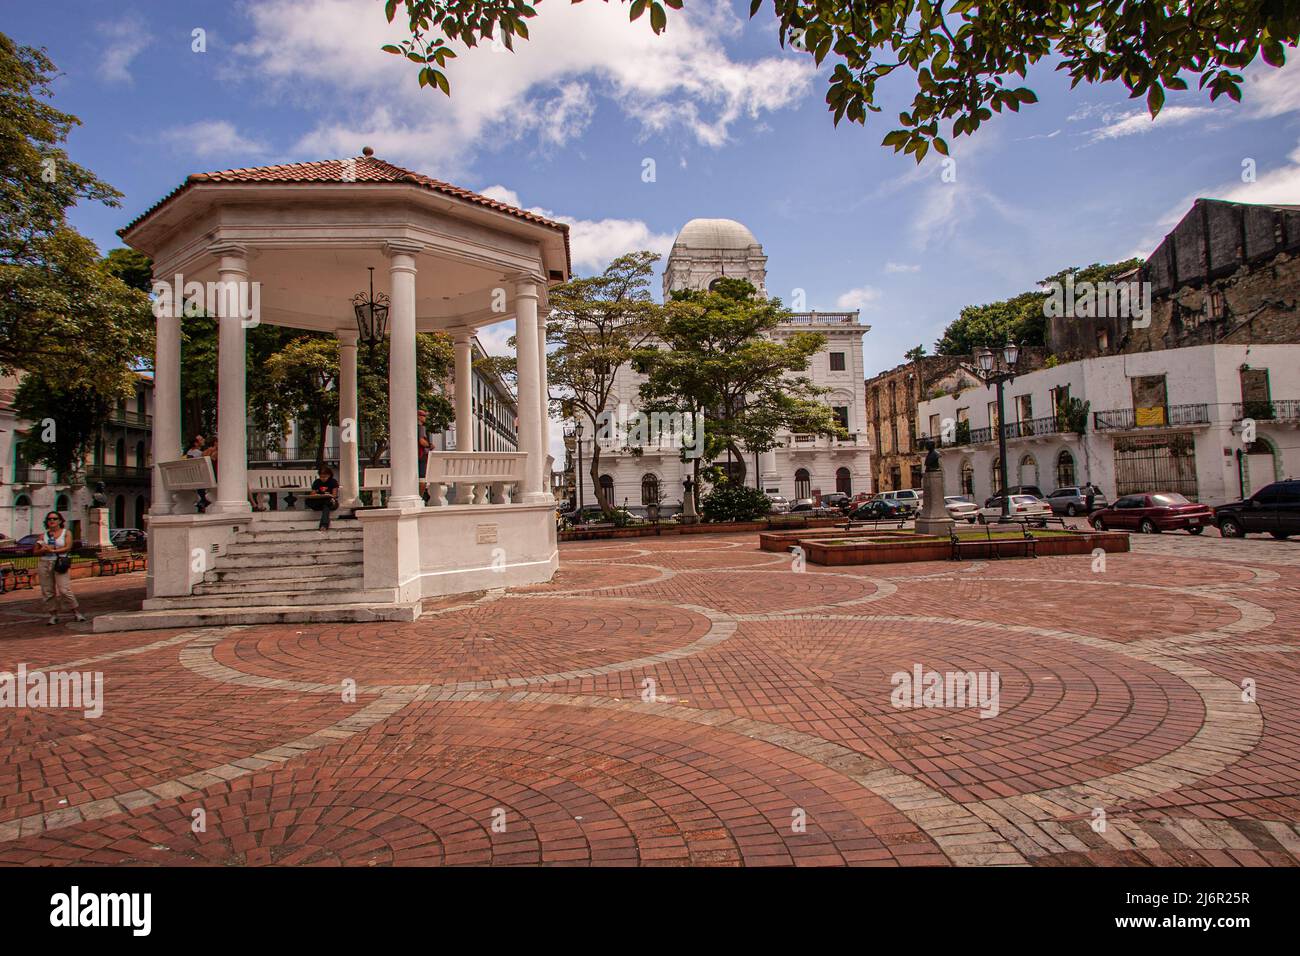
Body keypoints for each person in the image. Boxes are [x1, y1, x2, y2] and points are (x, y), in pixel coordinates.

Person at [33, 511, 85, 626]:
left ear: (60, 521)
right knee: (47, 590)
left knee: (64, 589)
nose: (52, 521)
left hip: (59, 562)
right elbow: (35, 551)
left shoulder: (66, 533)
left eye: (55, 519)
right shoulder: (43, 535)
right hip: (45, 562)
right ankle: (53, 615)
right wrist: (43, 550)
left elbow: (68, 547)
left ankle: (75, 611)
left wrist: (53, 550)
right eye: (49, 519)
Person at [307, 465, 340, 530]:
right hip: (320, 501)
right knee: (308, 501)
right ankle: (324, 525)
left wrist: (328, 494)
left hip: (331, 502)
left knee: (327, 504)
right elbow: (312, 493)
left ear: (329, 475)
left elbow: (334, 494)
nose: (323, 478)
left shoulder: (333, 482)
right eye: (321, 477)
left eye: (325, 477)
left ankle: (324, 525)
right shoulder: (317, 482)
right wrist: (317, 493)